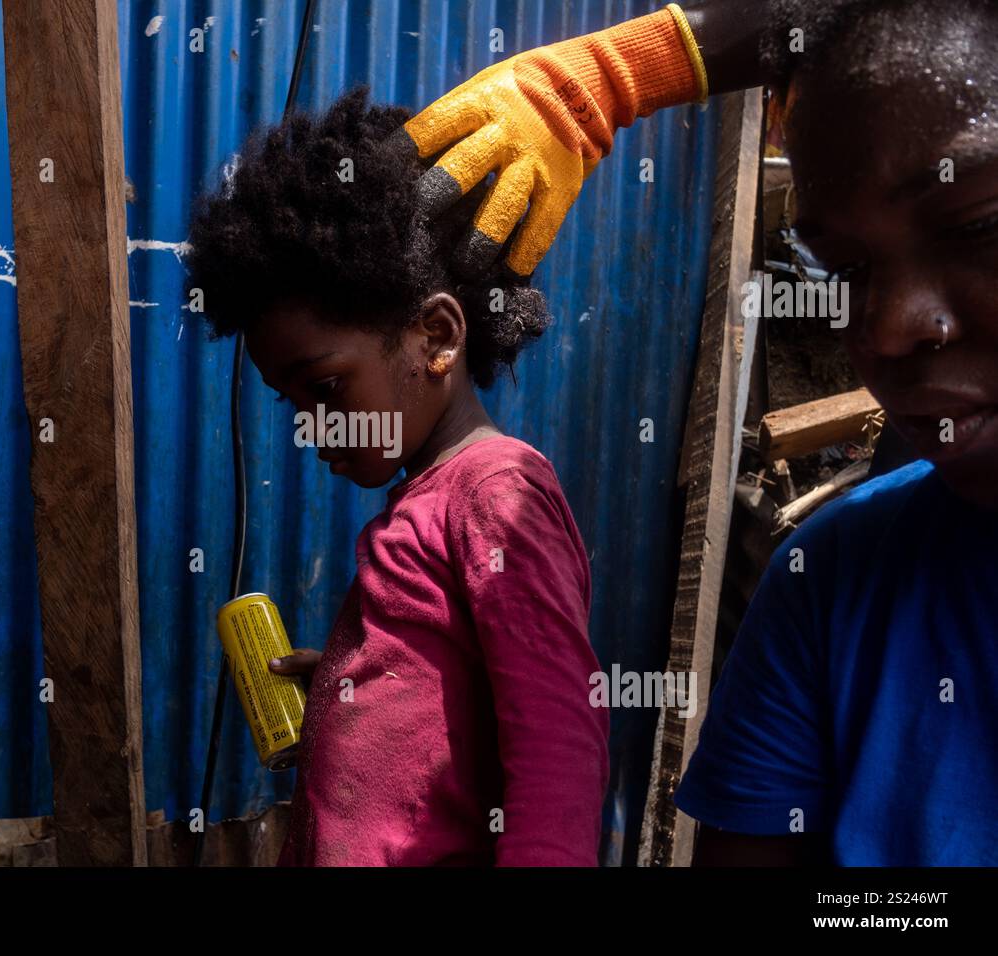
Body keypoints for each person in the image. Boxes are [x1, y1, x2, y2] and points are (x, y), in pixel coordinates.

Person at [409, 0, 998, 865]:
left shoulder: (497, 499)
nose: (884, 329)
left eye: (977, 228)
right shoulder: (827, 583)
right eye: (846, 271)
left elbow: (555, 752)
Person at [184, 88, 607, 865]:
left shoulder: (495, 496)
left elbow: (559, 753)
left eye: (326, 386)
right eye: (292, 402)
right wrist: (358, 690)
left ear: (437, 336)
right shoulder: (430, 499)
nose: (312, 424)